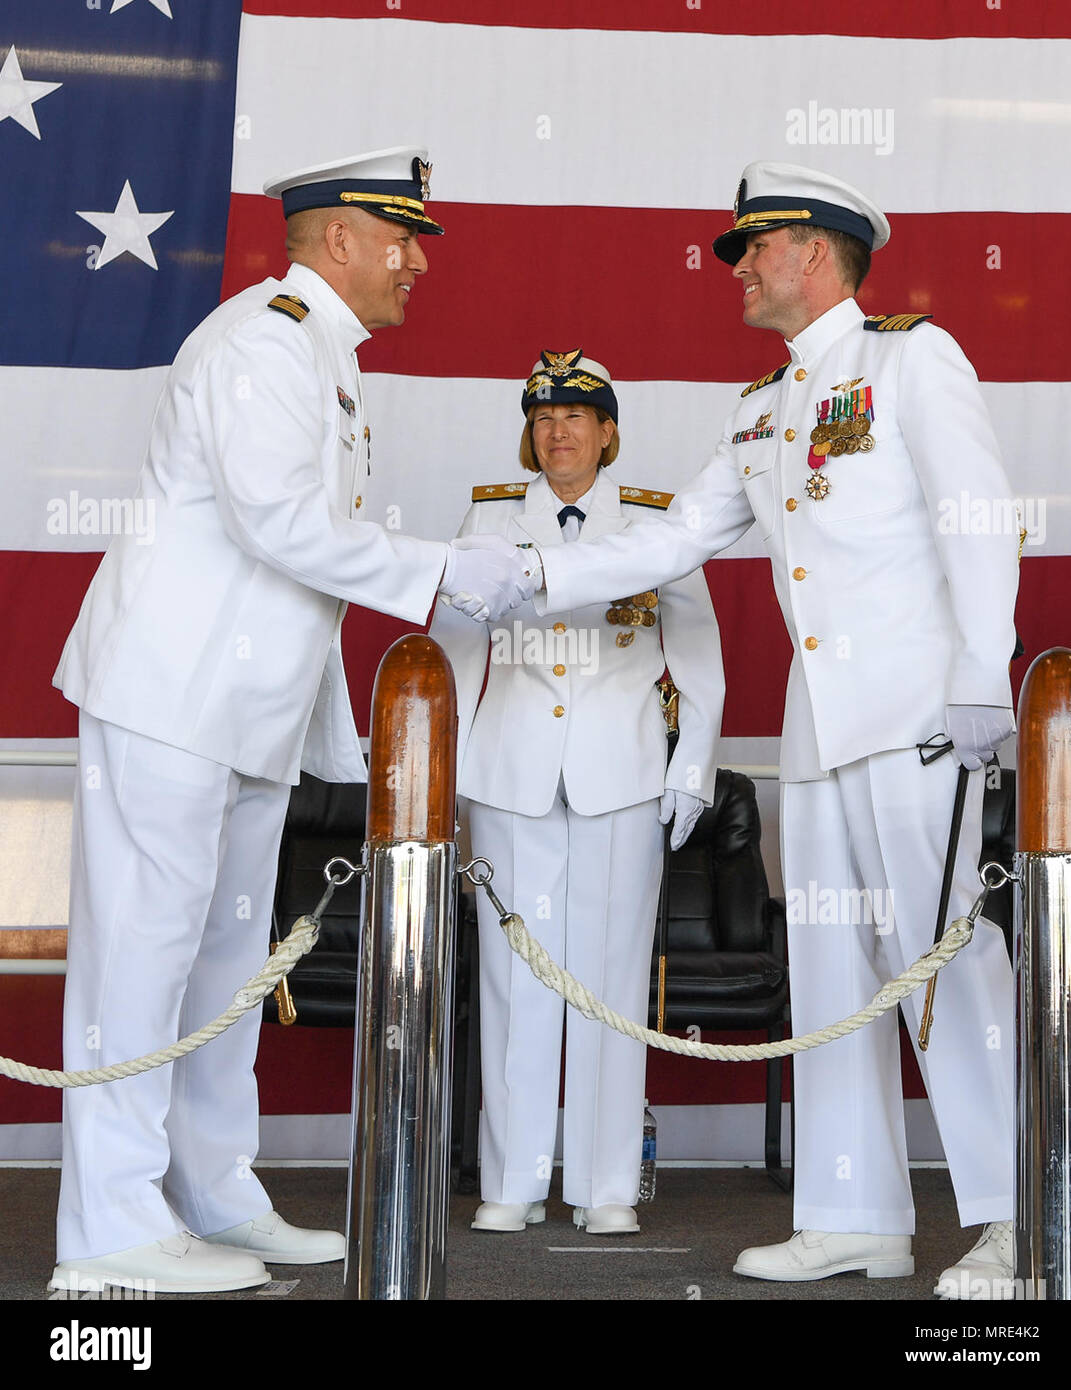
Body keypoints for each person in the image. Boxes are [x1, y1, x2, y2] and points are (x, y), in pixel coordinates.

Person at [499, 165, 1019, 1298]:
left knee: (946, 965)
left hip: (921, 714)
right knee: (834, 970)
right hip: (819, 730)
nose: (737, 266)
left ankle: (1017, 1218)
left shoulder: (906, 358)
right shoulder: (760, 407)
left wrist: (985, 666)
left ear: (819, 251)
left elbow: (973, 511)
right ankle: (853, 1213)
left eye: (756, 245)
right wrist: (531, 573)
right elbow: (668, 539)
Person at [48, 146, 533, 1294]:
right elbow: (279, 527)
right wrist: (447, 572)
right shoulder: (265, 339)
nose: (416, 259)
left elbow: (287, 571)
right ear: (335, 240)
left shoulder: (319, 353)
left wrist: (324, 736)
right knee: (140, 962)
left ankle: (210, 1194)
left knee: (223, 966)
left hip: (240, 712)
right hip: (172, 694)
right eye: (400, 235)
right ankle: (107, 1234)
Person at [431, 351, 724, 1234]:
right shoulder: (488, 517)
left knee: (610, 981)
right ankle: (511, 1183)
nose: (558, 431)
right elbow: (453, 651)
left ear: (608, 431)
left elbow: (699, 653)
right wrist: (442, 771)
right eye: (543, 417)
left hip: (623, 774)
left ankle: (605, 1189)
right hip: (509, 774)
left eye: (576, 416)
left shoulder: (653, 522)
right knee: (515, 980)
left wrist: (692, 766)